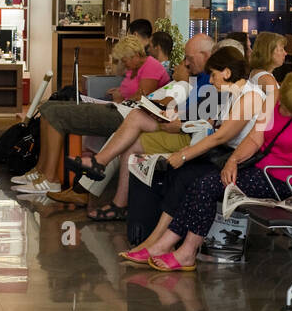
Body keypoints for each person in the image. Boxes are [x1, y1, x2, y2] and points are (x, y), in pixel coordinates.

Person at [122, 69, 292, 272]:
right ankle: (166, 245)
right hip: (260, 171)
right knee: (201, 181)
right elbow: (255, 137)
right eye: (286, 107)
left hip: (284, 182)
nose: (288, 112)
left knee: (206, 185)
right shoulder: (275, 99)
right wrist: (232, 160)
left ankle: (185, 252)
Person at [73, 49, 266, 220]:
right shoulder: (233, 94)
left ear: (227, 72)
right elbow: (213, 125)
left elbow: (220, 136)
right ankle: (106, 177)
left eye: (214, 75)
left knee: (180, 175)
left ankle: (156, 235)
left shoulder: (249, 97)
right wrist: (181, 122)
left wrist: (183, 154)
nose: (210, 80)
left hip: (231, 157)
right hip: (217, 149)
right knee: (136, 126)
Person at [62, 34, 216, 217]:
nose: (186, 63)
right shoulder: (198, 76)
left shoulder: (211, 80)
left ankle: (95, 172)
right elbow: (183, 105)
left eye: (189, 58)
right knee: (131, 134)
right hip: (177, 123)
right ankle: (115, 201)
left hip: (188, 132)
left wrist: (180, 94)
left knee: (130, 125)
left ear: (205, 55)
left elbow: (206, 119)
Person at [15, 34, 167, 195]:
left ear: (136, 55)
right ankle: (41, 170)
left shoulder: (152, 67)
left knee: (54, 114)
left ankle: (50, 179)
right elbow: (132, 94)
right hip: (118, 109)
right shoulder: (134, 70)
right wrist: (119, 94)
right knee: (47, 108)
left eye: (125, 60)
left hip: (124, 115)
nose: (124, 64)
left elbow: (142, 98)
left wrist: (120, 97)